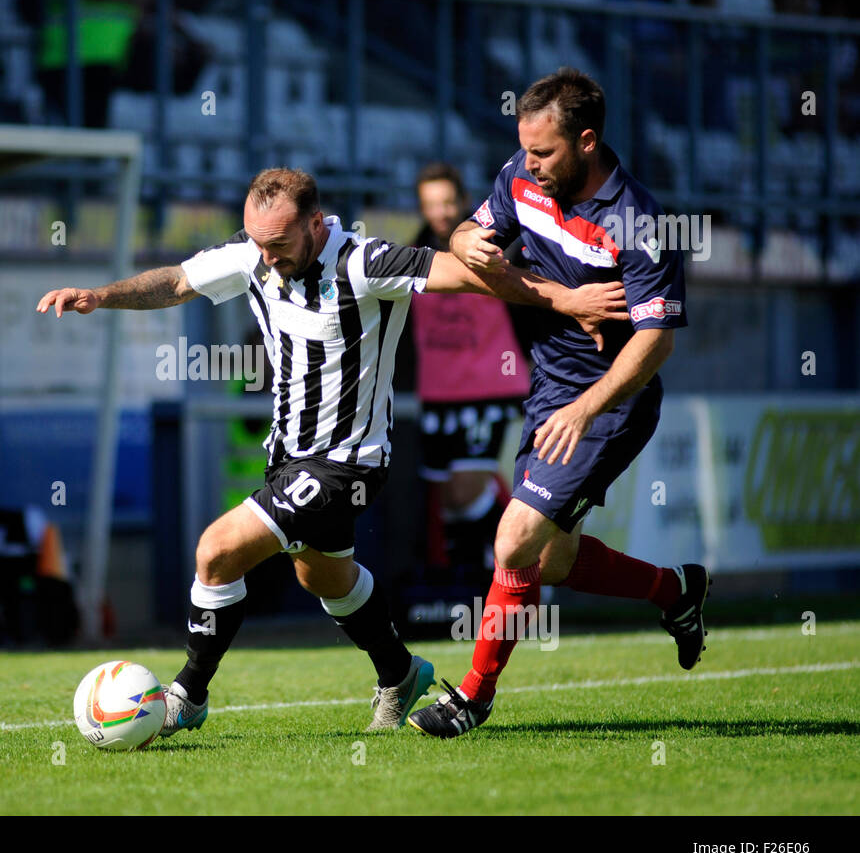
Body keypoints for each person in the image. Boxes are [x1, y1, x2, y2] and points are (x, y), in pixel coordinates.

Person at [36, 167, 628, 736]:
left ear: (316, 223)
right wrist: (100, 295)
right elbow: (175, 281)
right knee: (324, 577)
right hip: (288, 457)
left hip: (350, 462)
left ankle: (187, 694)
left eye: (279, 243)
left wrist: (566, 299)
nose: (266, 256)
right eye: (258, 241)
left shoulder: (364, 261)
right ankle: (400, 672)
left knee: (216, 552)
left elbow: (472, 276)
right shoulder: (252, 253)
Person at [409, 68, 706, 739]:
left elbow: (655, 344)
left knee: (513, 539)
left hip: (610, 403)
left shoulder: (638, 223)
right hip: (549, 389)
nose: (528, 164)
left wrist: (585, 409)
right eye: (525, 150)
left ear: (588, 141)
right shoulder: (522, 175)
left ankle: (473, 697)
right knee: (552, 561)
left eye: (543, 153)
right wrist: (471, 245)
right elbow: (464, 240)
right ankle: (675, 591)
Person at [407, 163, 530, 587]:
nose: (440, 212)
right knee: (449, 503)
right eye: (430, 204)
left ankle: (528, 561)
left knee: (465, 489)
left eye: (447, 202)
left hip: (491, 387)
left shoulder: (492, 246)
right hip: (437, 393)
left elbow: (528, 304)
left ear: (462, 200)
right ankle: (474, 588)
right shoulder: (413, 254)